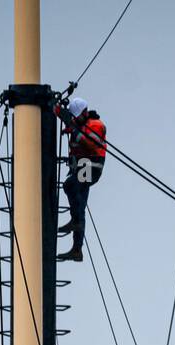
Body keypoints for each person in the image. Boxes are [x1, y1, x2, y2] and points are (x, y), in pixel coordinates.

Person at [54, 95, 106, 262]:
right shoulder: (80, 124)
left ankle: (75, 220)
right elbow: (68, 120)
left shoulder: (95, 125)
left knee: (70, 185)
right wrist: (56, 109)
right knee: (80, 203)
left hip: (92, 165)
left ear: (84, 113)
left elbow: (91, 143)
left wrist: (74, 130)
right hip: (82, 166)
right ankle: (77, 249)